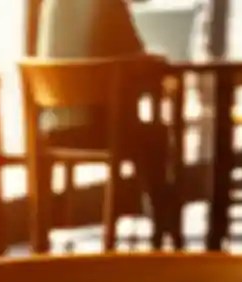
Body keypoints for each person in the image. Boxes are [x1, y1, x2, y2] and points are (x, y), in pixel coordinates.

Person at [34, 0, 178, 247]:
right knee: (156, 136)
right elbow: (132, 59)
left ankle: (39, 237)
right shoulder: (106, 4)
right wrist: (158, 59)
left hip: (54, 126)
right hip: (94, 128)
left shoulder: (51, 5)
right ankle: (165, 229)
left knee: (143, 131)